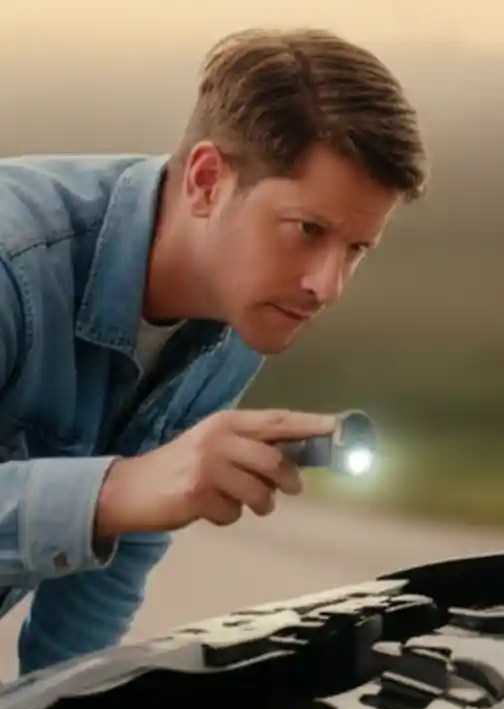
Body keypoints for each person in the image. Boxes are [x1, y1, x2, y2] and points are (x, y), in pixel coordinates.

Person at [0, 27, 427, 674]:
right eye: (308, 230)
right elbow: (131, 500)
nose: (326, 286)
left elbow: (106, 576)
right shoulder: (13, 266)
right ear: (206, 180)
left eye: (356, 250)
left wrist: (64, 698)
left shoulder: (240, 316)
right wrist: (120, 489)